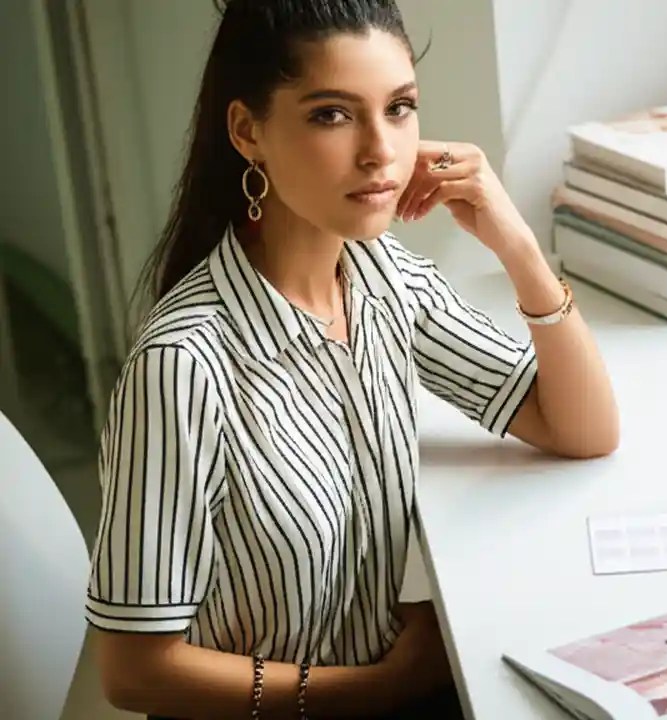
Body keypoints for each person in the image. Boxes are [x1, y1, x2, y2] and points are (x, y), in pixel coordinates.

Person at [83, 1, 618, 718]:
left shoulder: (382, 277)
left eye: (399, 109)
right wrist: (381, 688)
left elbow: (582, 428)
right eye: (332, 115)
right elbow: (134, 672)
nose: (380, 152)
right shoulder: (182, 368)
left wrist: (515, 243)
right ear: (247, 132)